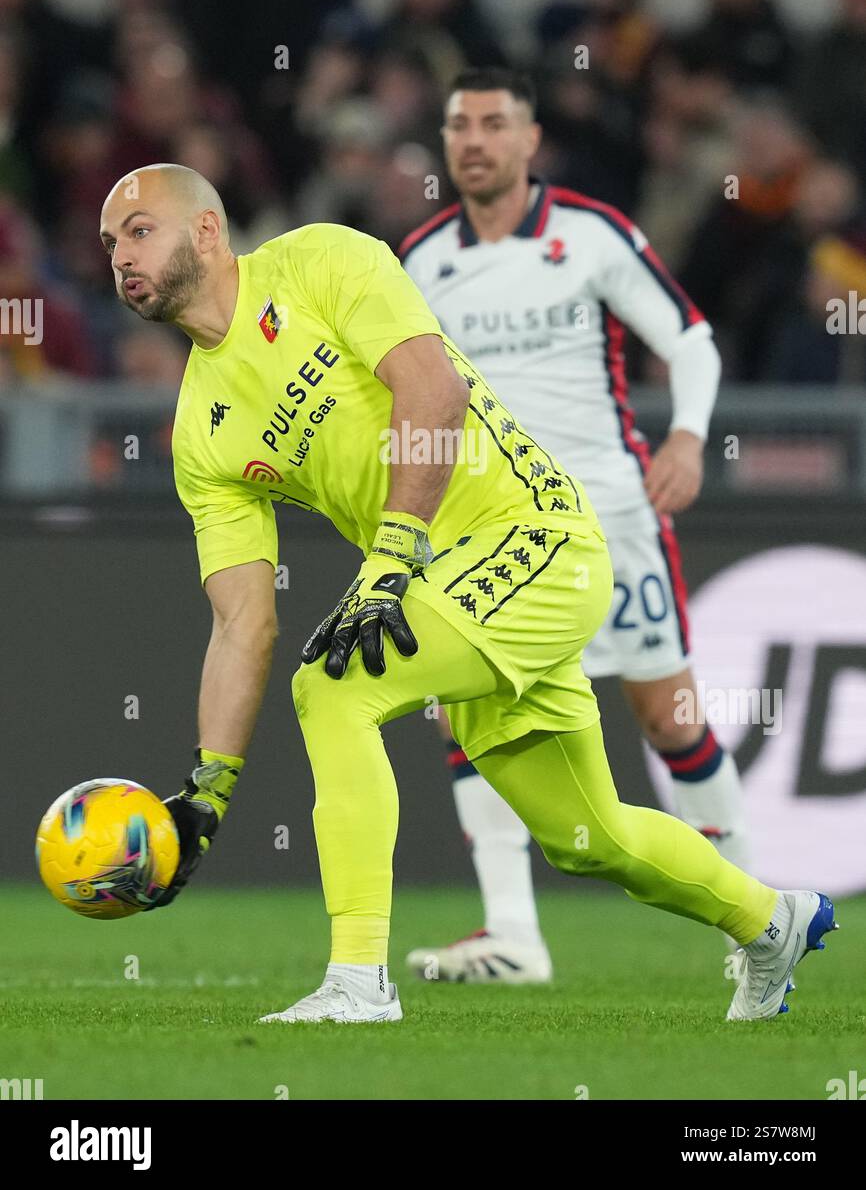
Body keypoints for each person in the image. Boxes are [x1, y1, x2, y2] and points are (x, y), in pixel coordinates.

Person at [97, 162, 835, 1024]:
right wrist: (206, 795)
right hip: (449, 584)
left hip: (535, 538)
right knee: (588, 838)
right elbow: (241, 620)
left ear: (210, 232)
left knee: (330, 688)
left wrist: (389, 561)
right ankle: (772, 921)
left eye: (140, 230)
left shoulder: (322, 262)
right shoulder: (199, 432)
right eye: (109, 243)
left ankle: (358, 982)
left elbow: (433, 391)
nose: (120, 256)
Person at [399, 67, 743, 983]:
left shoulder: (590, 236)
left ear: (529, 139)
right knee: (467, 715)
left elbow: (691, 339)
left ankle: (750, 917)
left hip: (611, 513)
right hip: (494, 531)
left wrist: (689, 439)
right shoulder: (420, 262)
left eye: (493, 124)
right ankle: (514, 934)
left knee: (667, 718)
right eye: (458, 125)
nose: (473, 140)